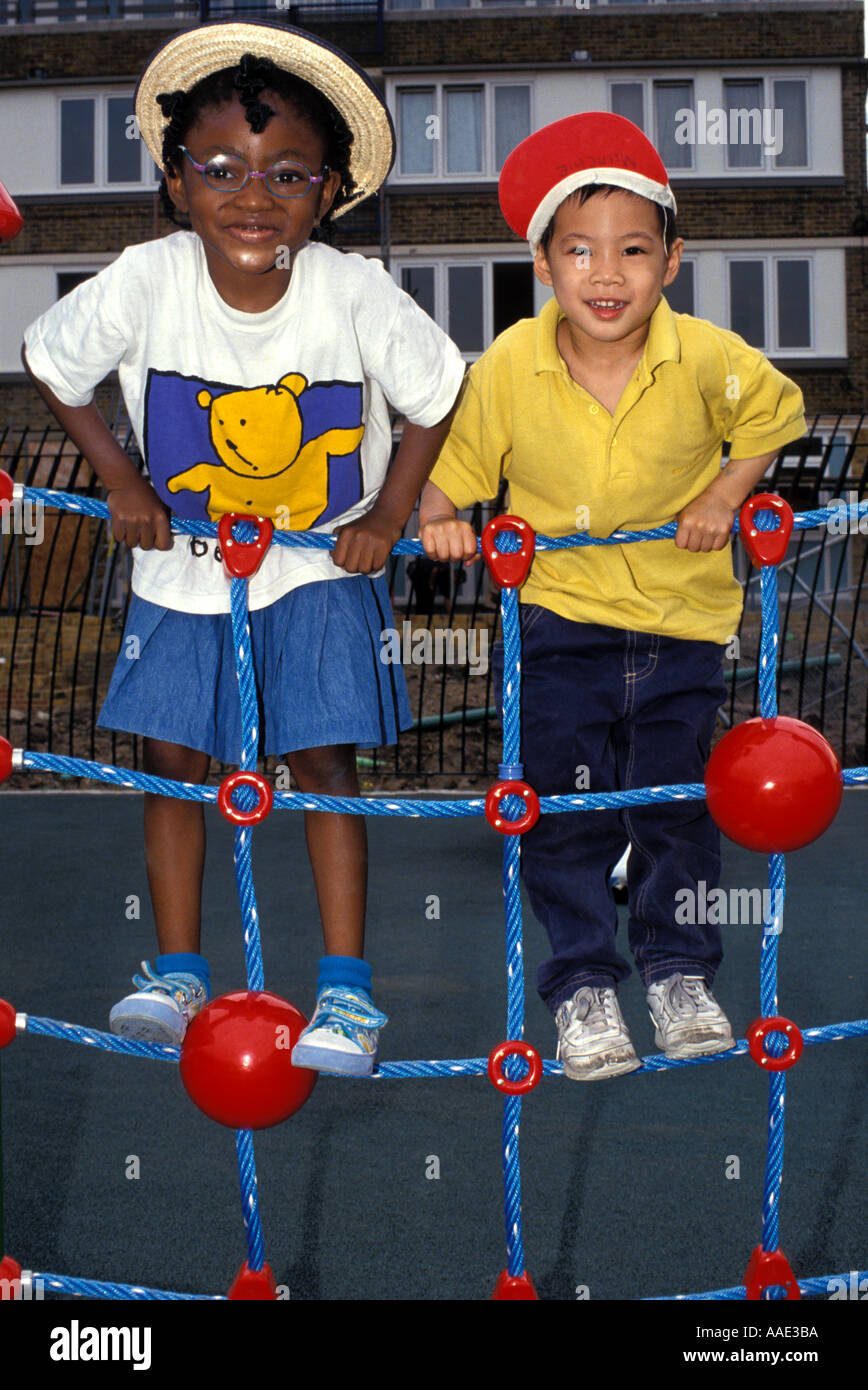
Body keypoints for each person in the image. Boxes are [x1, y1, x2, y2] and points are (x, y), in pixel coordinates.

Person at [22, 19, 465, 1075]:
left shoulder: (349, 291)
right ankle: (177, 969)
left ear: (328, 191)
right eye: (220, 168)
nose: (252, 196)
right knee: (173, 767)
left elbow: (437, 392)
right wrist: (121, 477)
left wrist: (388, 514)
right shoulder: (145, 276)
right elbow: (52, 361)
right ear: (177, 182)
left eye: (285, 174)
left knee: (322, 767)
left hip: (315, 573)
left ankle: (347, 995)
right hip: (180, 578)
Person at [420, 113, 806, 1080]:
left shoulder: (708, 356)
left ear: (672, 260)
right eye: (579, 251)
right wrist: (439, 516)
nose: (606, 273)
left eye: (633, 250)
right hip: (561, 620)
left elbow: (779, 412)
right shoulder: (511, 362)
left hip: (682, 625)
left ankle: (679, 973)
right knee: (564, 807)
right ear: (542, 265)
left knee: (676, 807)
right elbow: (456, 467)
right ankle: (585, 987)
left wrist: (727, 493)